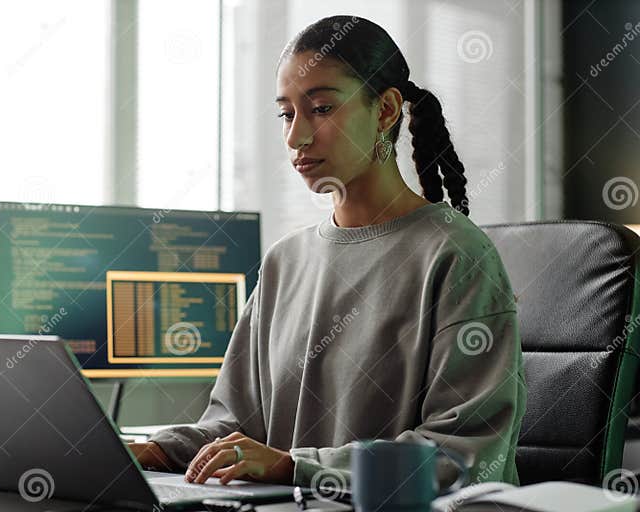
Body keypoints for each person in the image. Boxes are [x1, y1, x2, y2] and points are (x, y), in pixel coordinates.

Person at [128, 15, 526, 490]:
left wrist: (296, 468)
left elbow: (462, 455)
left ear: (385, 111)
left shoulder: (457, 255)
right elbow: (235, 427)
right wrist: (155, 450)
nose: (296, 136)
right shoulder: (284, 261)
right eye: (286, 113)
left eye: (320, 108)